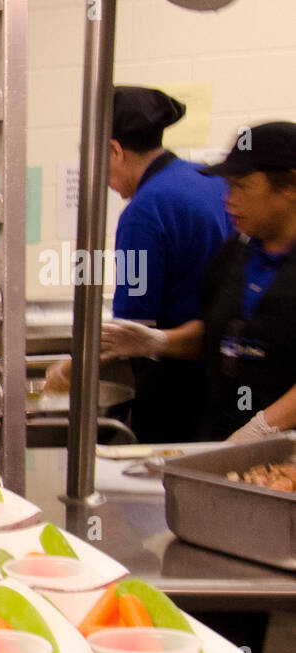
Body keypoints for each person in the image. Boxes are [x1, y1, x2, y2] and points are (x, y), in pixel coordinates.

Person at [128, 121, 296, 653]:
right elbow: (214, 329)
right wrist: (159, 342)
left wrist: (267, 428)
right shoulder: (235, 253)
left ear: (287, 189)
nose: (228, 198)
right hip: (226, 440)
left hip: (279, 454)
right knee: (226, 587)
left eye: (242, 186)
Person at [47, 86, 229, 444]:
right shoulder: (212, 179)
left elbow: (126, 333)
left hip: (178, 393)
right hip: (223, 383)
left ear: (114, 150)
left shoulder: (144, 212)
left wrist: (65, 372)